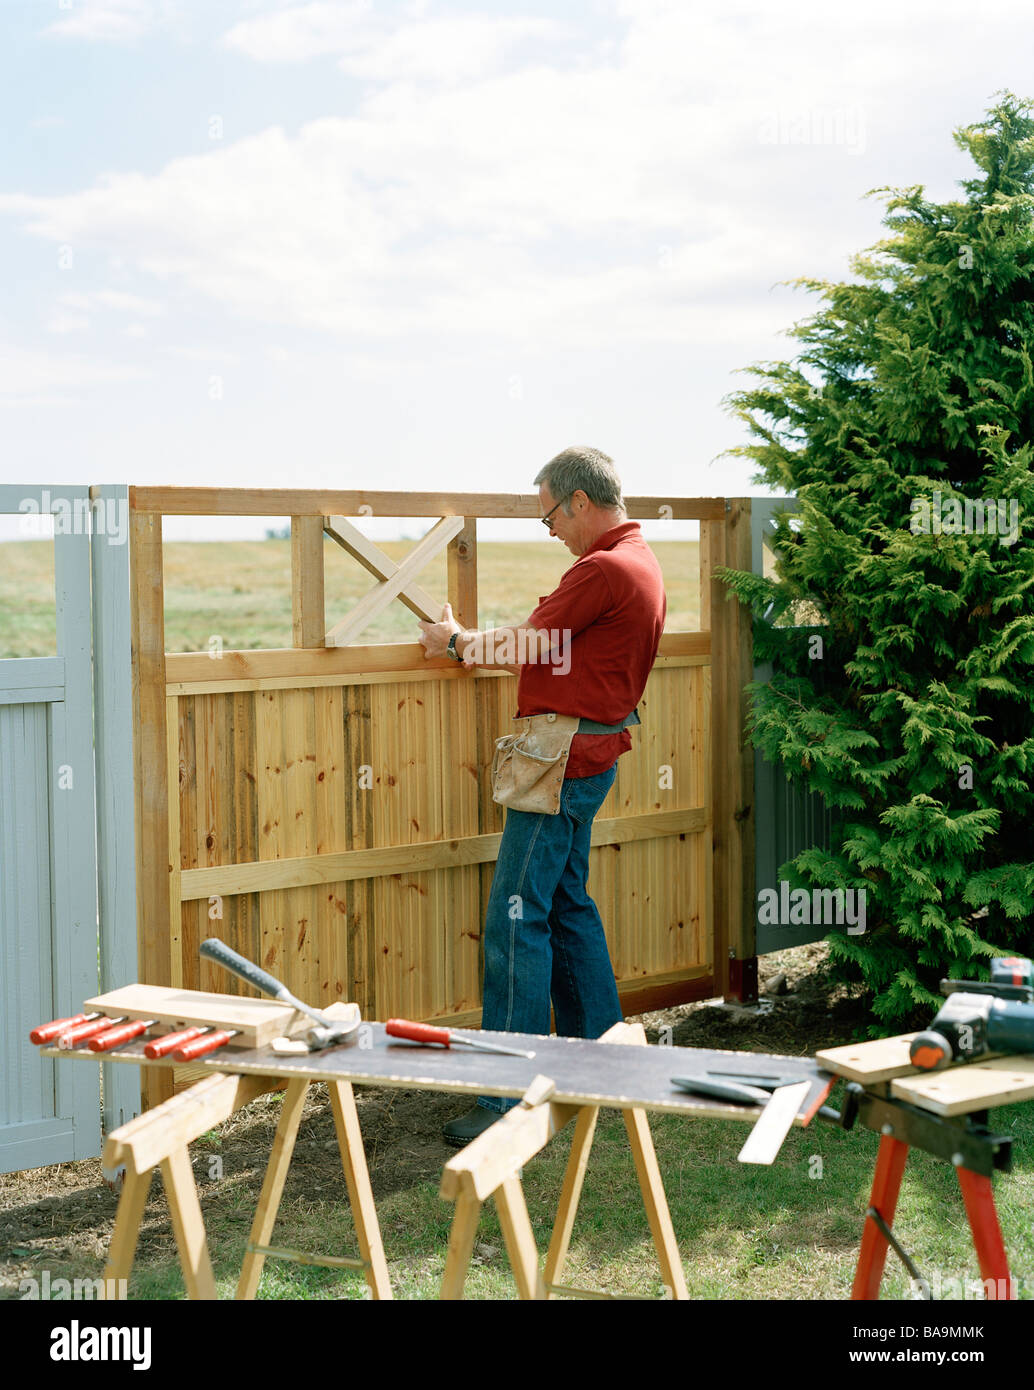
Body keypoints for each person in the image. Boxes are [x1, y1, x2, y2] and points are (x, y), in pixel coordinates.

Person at [418, 446, 666, 1145]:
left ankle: (509, 1097)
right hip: (589, 755)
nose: (550, 528)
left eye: (550, 514)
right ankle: (600, 1067)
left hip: (560, 760)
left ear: (581, 502)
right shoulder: (640, 559)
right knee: (565, 903)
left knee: (515, 915)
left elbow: (531, 644)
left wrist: (459, 643)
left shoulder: (603, 569)